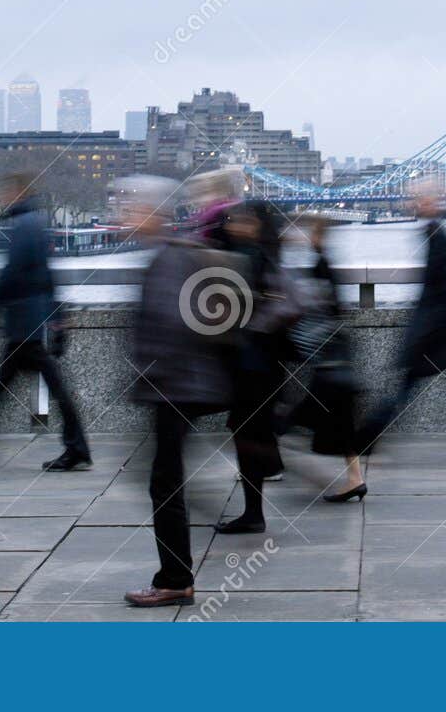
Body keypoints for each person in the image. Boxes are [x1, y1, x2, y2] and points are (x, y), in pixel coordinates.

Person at [121, 177, 238, 608]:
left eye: (132, 208)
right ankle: (176, 574)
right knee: (165, 480)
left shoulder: (168, 260)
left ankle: (175, 579)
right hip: (180, 385)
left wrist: (150, 377)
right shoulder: (172, 254)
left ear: (156, 214)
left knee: (164, 485)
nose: (125, 215)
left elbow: (172, 326)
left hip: (175, 388)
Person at [0, 172, 90, 471]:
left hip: (24, 324)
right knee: (8, 385)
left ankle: (76, 446)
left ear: (18, 192)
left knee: (31, 386)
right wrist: (58, 316)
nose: (0, 197)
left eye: (4, 191)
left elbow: (12, 274)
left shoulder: (24, 226)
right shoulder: (35, 223)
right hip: (31, 321)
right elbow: (47, 276)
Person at [360, 184, 446, 460]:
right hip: (445, 331)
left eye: (423, 200)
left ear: (434, 204)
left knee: (406, 384)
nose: (418, 204)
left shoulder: (436, 235)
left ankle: (367, 437)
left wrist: (426, 332)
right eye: (417, 200)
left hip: (438, 333)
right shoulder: (437, 233)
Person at [215, 201, 298, 534]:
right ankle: (255, 508)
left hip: (251, 365)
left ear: (254, 225)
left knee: (247, 433)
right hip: (266, 364)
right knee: (252, 432)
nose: (232, 225)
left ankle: (253, 513)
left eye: (239, 221)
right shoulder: (269, 256)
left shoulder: (248, 258)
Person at [282, 214, 366, 503]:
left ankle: (268, 464)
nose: (307, 238)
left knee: (293, 420)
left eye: (310, 233)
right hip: (337, 358)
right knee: (341, 422)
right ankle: (355, 478)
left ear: (317, 236)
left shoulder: (319, 265)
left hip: (325, 361)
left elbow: (312, 307)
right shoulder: (327, 262)